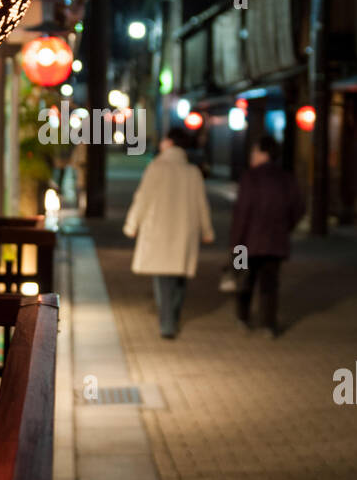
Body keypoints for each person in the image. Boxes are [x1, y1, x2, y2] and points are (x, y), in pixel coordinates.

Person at [124, 127, 214, 339]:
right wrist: (207, 231)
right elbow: (203, 205)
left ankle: (167, 323)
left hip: (159, 231)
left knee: (163, 279)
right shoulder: (193, 172)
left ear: (170, 143)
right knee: (179, 277)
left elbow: (142, 198)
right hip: (184, 232)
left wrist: (132, 225)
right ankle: (172, 316)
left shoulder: (156, 167)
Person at [230, 134, 305, 339]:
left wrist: (235, 243)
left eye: (254, 151)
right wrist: (285, 227)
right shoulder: (286, 178)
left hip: (247, 242)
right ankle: (268, 324)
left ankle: (243, 318)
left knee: (244, 280)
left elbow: (242, 212)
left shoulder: (250, 178)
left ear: (264, 153)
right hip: (275, 241)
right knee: (270, 285)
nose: (251, 155)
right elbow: (298, 207)